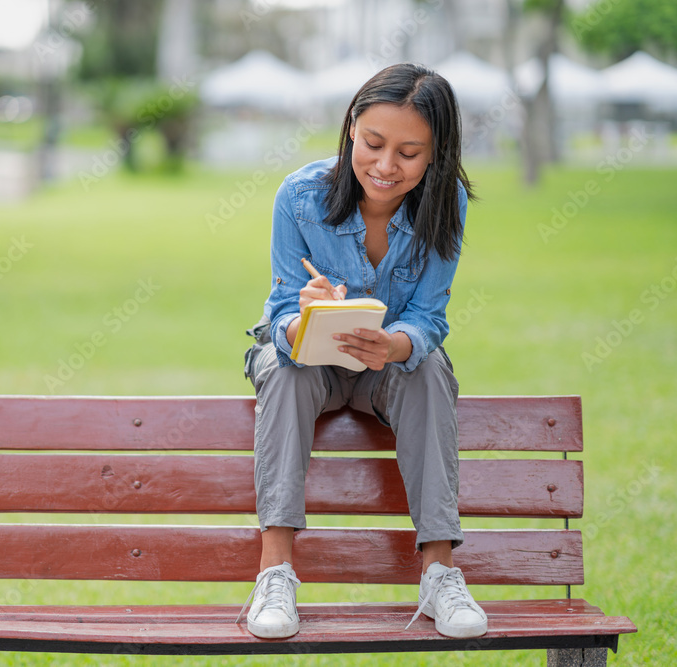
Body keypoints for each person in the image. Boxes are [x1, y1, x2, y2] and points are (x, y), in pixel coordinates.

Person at [237, 63, 487, 640]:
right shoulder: (300, 196)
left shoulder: (445, 201)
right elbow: (280, 312)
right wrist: (304, 324)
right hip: (310, 364)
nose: (384, 166)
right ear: (351, 127)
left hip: (388, 369)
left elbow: (428, 317)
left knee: (428, 369)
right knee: (283, 368)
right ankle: (275, 572)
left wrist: (394, 344)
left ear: (436, 154)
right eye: (373, 143)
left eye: (409, 153)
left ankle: (440, 575)